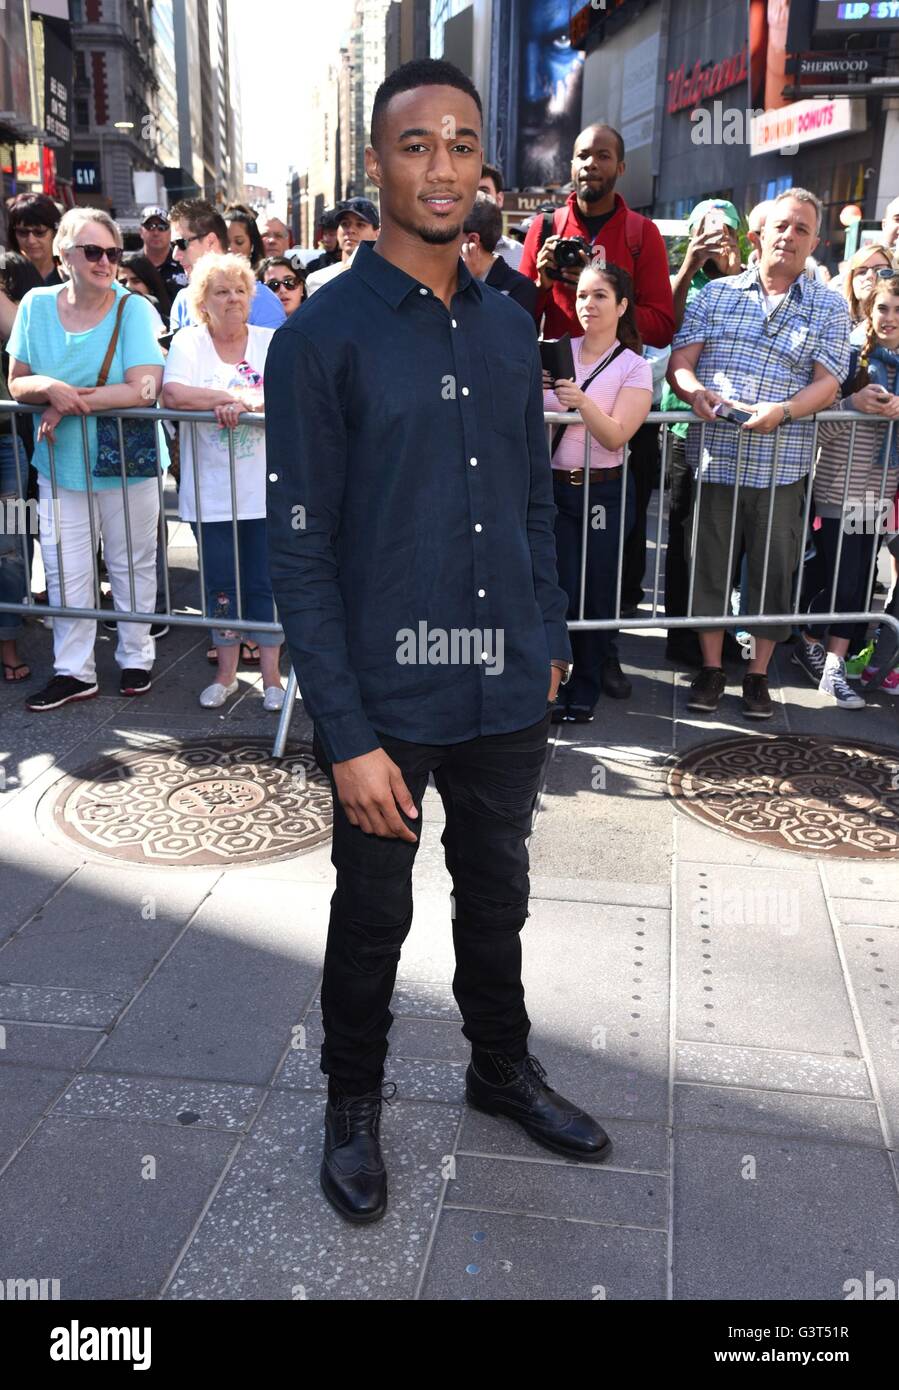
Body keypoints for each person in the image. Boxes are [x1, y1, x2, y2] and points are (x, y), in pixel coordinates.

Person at [266, 56, 611, 1227]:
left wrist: (547, 631)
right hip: (387, 693)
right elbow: (300, 554)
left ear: (481, 166)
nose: (443, 165)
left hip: (505, 679)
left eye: (462, 143)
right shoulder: (318, 339)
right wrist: (344, 735)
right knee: (371, 910)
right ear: (376, 164)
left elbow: (529, 501)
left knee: (496, 893)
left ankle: (497, 1064)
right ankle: (350, 1101)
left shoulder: (514, 329)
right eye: (417, 144)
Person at [667, 188, 851, 720]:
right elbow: (682, 360)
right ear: (759, 235)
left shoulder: (829, 304)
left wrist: (786, 411)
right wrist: (692, 390)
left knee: (773, 573)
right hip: (716, 459)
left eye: (802, 230)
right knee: (708, 568)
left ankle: (757, 675)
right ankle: (710, 668)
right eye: (782, 227)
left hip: (784, 466)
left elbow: (830, 383)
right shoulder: (715, 294)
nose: (790, 237)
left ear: (815, 241)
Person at [7, 208, 166, 709]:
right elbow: (17, 381)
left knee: (131, 561)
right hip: (59, 461)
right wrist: (50, 389)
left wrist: (66, 403)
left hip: (127, 455)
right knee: (63, 568)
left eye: (112, 253)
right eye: (92, 251)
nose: (104, 262)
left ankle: (136, 656)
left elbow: (144, 387)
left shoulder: (134, 309)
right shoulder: (34, 304)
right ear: (64, 255)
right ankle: (73, 671)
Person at [161, 252, 284, 710]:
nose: (232, 299)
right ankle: (227, 674)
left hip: (263, 493)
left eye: (239, 290)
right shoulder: (189, 342)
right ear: (203, 302)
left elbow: (287, 394)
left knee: (264, 584)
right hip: (211, 493)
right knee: (220, 585)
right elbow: (174, 392)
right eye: (221, 291)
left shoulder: (271, 341)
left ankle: (272, 678)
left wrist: (238, 404)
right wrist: (229, 398)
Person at [543, 259, 652, 721]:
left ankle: (584, 684)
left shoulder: (635, 367)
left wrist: (580, 401)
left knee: (595, 588)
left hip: (602, 493)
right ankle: (550, 683)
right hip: (550, 489)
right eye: (583, 295)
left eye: (600, 296)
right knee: (555, 588)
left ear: (622, 305)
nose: (588, 304)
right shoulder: (553, 351)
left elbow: (615, 435)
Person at [793, 272, 899, 708]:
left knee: (860, 583)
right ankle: (817, 651)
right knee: (841, 576)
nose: (890, 317)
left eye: (898, 310)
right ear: (869, 310)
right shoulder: (850, 358)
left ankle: (827, 658)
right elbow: (813, 430)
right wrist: (851, 406)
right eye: (883, 308)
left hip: (881, 491)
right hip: (840, 487)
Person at [660, 199, 745, 667]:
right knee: (684, 533)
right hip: (683, 425)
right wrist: (691, 261)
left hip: (732, 430)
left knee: (726, 535)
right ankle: (680, 634)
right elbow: (665, 330)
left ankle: (717, 629)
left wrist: (733, 273)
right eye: (707, 231)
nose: (717, 239)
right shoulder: (683, 279)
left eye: (725, 231)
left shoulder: (749, 281)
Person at [518, 123, 675, 348]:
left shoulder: (643, 232)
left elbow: (662, 330)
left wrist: (603, 293)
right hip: (557, 376)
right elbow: (515, 320)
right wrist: (541, 286)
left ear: (621, 168)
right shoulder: (545, 228)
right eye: (582, 156)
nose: (590, 164)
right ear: (571, 165)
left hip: (618, 378)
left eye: (603, 156)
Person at [0, 251, 43, 681]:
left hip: (6, 443)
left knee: (11, 543)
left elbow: (16, 332)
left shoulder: (16, 310)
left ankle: (9, 644)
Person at [166, 200, 286, 330]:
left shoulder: (262, 299)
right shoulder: (183, 301)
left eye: (181, 243)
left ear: (211, 241)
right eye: (172, 246)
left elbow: (277, 349)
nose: (175, 255)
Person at [461, 193, 537, 315]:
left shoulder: (520, 288)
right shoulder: (446, 279)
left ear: (472, 241)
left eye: (451, 234)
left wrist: (469, 284)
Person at [305, 199, 380, 295]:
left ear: (377, 234)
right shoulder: (317, 280)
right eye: (345, 224)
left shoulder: (386, 278)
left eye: (360, 225)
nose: (350, 230)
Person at [7, 193, 63, 286]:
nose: (31, 240)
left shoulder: (69, 272)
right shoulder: (6, 272)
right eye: (22, 232)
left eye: (39, 232)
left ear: (54, 233)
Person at [138, 205, 188, 304]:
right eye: (150, 227)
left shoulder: (184, 263)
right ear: (140, 231)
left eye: (162, 227)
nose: (156, 233)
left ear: (170, 232)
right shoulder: (129, 266)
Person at [478, 163, 524, 269]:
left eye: (484, 191)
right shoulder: (446, 253)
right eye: (471, 190)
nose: (477, 197)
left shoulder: (520, 254)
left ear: (499, 199)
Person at [840, 243, 896, 327]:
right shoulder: (836, 320)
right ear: (851, 280)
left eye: (879, 270)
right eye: (862, 272)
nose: (869, 276)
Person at [117, 252, 173, 329]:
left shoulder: (171, 324)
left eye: (136, 281)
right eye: (122, 282)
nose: (128, 286)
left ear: (150, 285)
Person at [303, 210, 341, 274]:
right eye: (325, 234)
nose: (326, 239)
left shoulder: (350, 265)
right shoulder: (313, 267)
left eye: (331, 235)